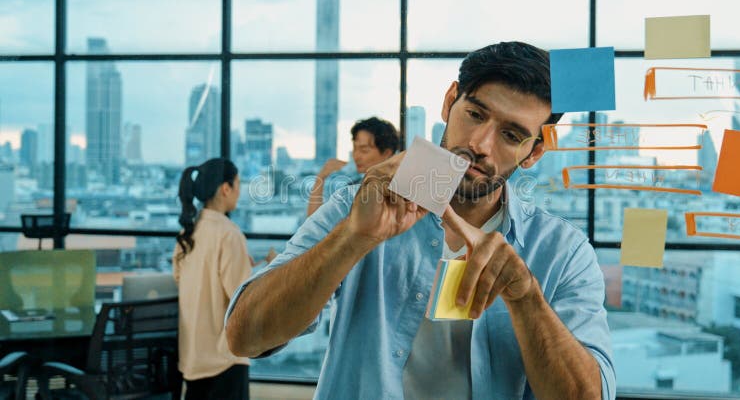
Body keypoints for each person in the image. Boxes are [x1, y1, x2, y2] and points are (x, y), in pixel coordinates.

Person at [225, 42, 615, 399]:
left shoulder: (562, 251)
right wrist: (351, 239)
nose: (479, 144)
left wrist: (526, 297)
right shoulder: (357, 207)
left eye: (511, 135)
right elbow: (244, 337)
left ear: (534, 152)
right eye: (475, 114)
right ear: (449, 102)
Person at [173, 158, 252, 400]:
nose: (240, 191)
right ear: (225, 188)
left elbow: (188, 281)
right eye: (238, 184)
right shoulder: (229, 234)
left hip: (193, 358)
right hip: (224, 360)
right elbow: (243, 298)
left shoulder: (187, 233)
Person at [306, 117, 400, 217]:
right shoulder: (353, 185)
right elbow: (315, 222)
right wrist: (321, 177)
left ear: (387, 153)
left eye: (364, 150)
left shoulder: (397, 190)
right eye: (354, 149)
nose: (356, 156)